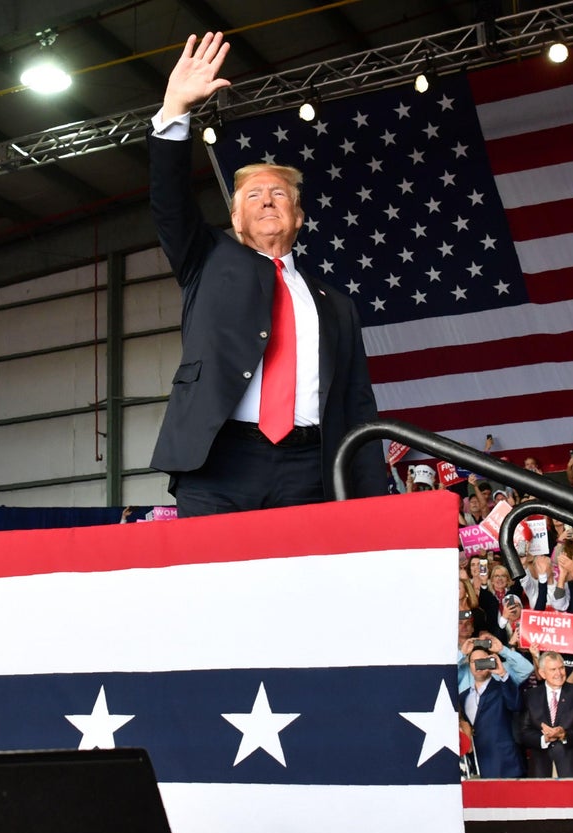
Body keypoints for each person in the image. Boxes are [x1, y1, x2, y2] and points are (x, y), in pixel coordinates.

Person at [148, 33, 386, 514]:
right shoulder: (207, 258)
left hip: (311, 466)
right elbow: (171, 202)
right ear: (235, 220)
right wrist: (174, 110)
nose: (267, 200)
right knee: (216, 585)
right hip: (220, 462)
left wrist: (370, 499)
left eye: (279, 195)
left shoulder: (337, 305)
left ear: (298, 218)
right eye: (253, 196)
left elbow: (358, 403)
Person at [516, 652, 573, 777]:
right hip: (542, 768)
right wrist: (543, 739)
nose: (559, 673)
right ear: (542, 673)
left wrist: (564, 735)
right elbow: (524, 732)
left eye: (561, 668)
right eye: (553, 669)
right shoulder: (530, 696)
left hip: (572, 766)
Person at [459, 646, 524, 778]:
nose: (479, 665)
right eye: (474, 661)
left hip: (506, 763)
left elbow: (515, 704)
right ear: (469, 665)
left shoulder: (503, 687)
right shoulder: (463, 696)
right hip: (478, 764)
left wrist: (502, 673)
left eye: (483, 660)